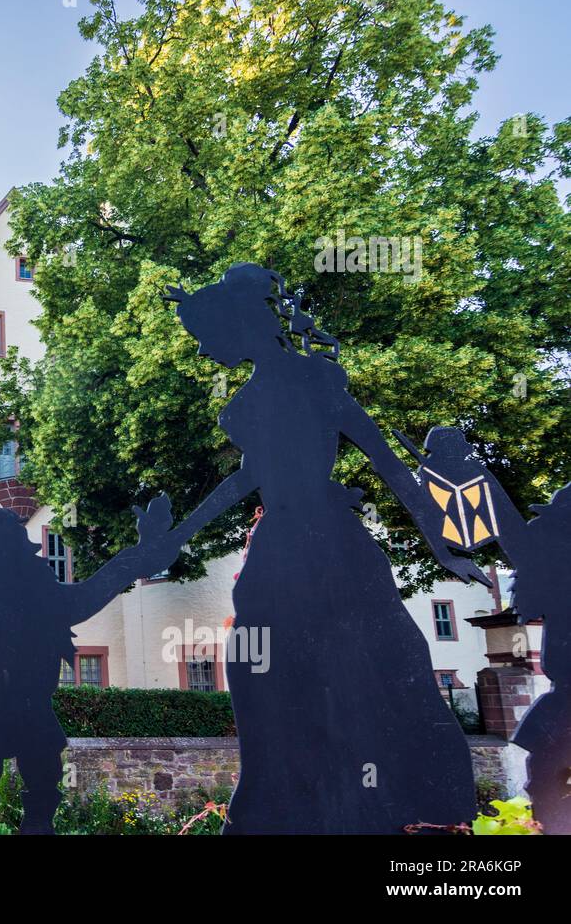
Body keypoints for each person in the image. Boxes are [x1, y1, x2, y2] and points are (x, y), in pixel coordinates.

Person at [152, 262, 487, 833]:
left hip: (326, 547)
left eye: (207, 340)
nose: (206, 354)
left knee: (362, 669)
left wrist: (446, 543)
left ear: (238, 323)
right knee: (263, 676)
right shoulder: (251, 400)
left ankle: (380, 812)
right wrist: (174, 538)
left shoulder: (315, 382)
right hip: (282, 553)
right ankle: (280, 809)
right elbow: (247, 480)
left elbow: (386, 460)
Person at [0, 495, 175, 834]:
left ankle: (29, 825)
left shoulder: (3, 608)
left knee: (30, 780)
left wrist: (142, 553)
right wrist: (140, 554)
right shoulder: (5, 608)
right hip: (11, 712)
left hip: (23, 711)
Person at [396, 427, 570, 834]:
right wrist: (453, 467)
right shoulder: (548, 564)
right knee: (545, 783)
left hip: (563, 711)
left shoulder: (548, 566)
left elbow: (510, 529)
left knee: (546, 783)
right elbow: (508, 525)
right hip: (562, 708)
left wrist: (450, 468)